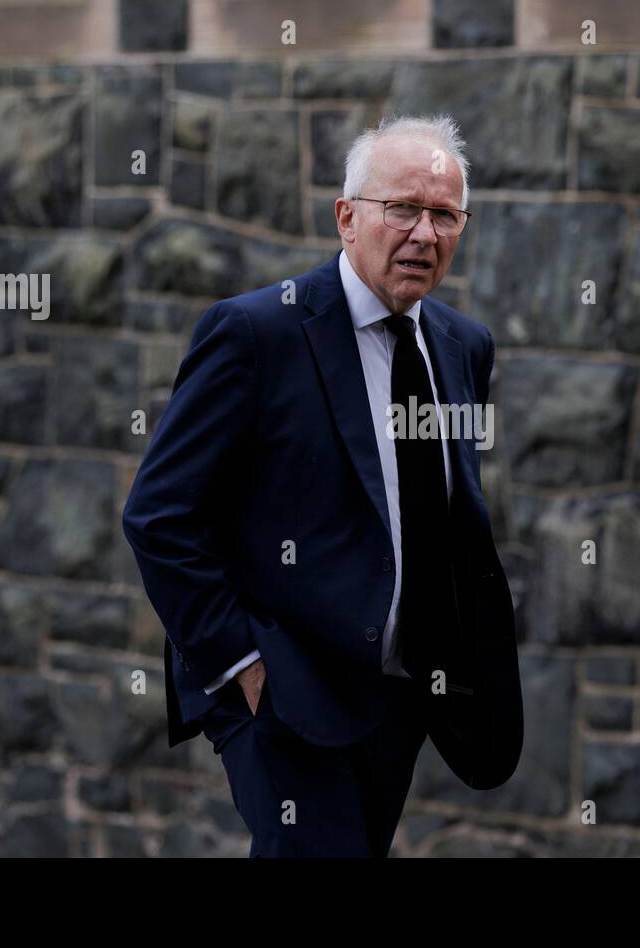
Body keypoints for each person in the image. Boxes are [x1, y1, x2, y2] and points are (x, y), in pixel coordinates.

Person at [121, 115, 523, 857]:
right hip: (283, 689)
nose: (424, 234)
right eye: (402, 208)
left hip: (395, 693)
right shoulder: (256, 333)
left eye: (444, 215)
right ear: (347, 216)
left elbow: (443, 511)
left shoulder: (464, 347)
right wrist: (242, 666)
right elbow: (159, 514)